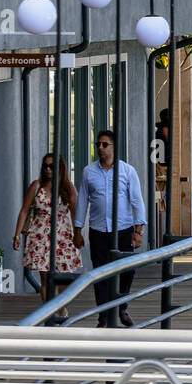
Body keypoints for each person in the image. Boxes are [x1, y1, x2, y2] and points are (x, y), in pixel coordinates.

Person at [73, 130, 147, 328]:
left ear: (114, 147)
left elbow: (137, 201)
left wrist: (138, 231)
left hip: (123, 229)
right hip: (98, 230)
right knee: (100, 274)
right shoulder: (89, 172)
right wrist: (78, 230)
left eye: (105, 144)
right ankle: (104, 316)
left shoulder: (127, 171)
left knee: (128, 270)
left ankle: (121, 307)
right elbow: (82, 202)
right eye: (98, 144)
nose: (100, 148)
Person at [13, 153, 81, 319]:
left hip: (63, 235)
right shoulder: (36, 186)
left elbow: (75, 213)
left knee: (63, 279)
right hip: (40, 235)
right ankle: (49, 313)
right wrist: (16, 235)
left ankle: (62, 309)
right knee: (45, 278)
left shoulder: (68, 187)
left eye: (52, 166)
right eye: (45, 166)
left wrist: (78, 234)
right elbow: (24, 211)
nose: (48, 169)